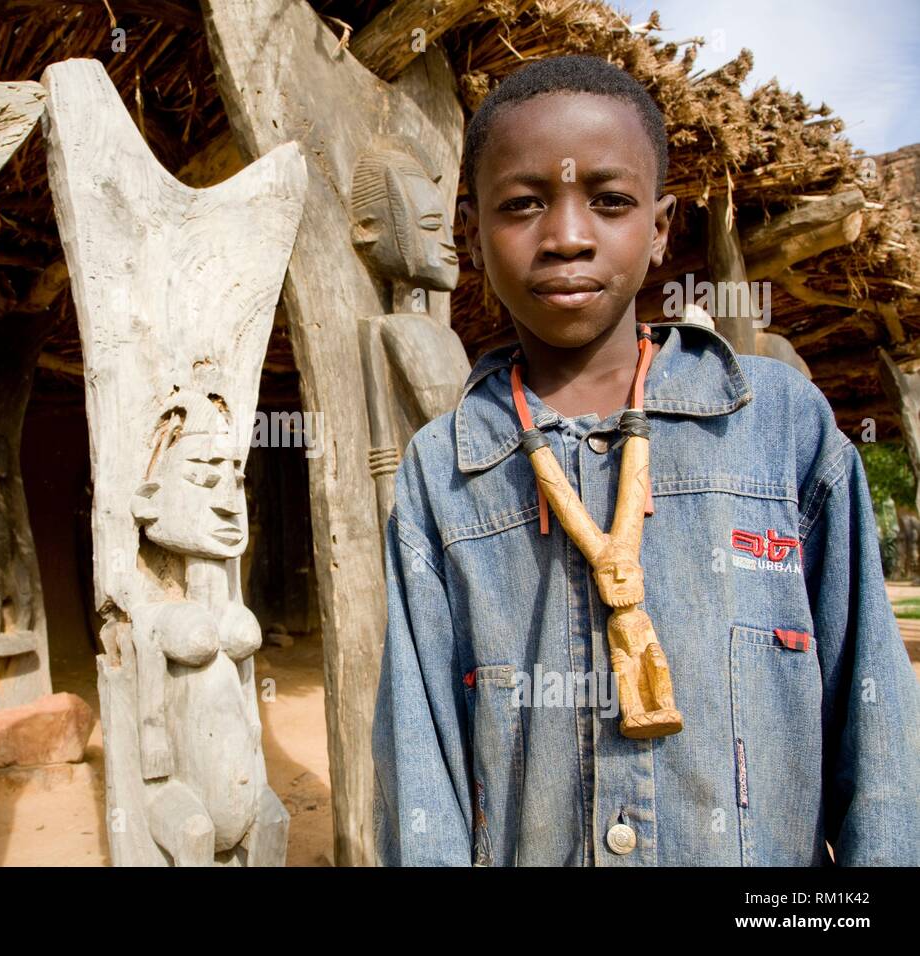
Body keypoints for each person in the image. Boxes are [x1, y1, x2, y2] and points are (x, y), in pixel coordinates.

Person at [371, 54, 920, 865]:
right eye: (522, 205)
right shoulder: (440, 472)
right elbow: (421, 769)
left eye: (610, 201)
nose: (566, 236)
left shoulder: (778, 429)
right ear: (476, 237)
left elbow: (878, 750)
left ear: (659, 230)